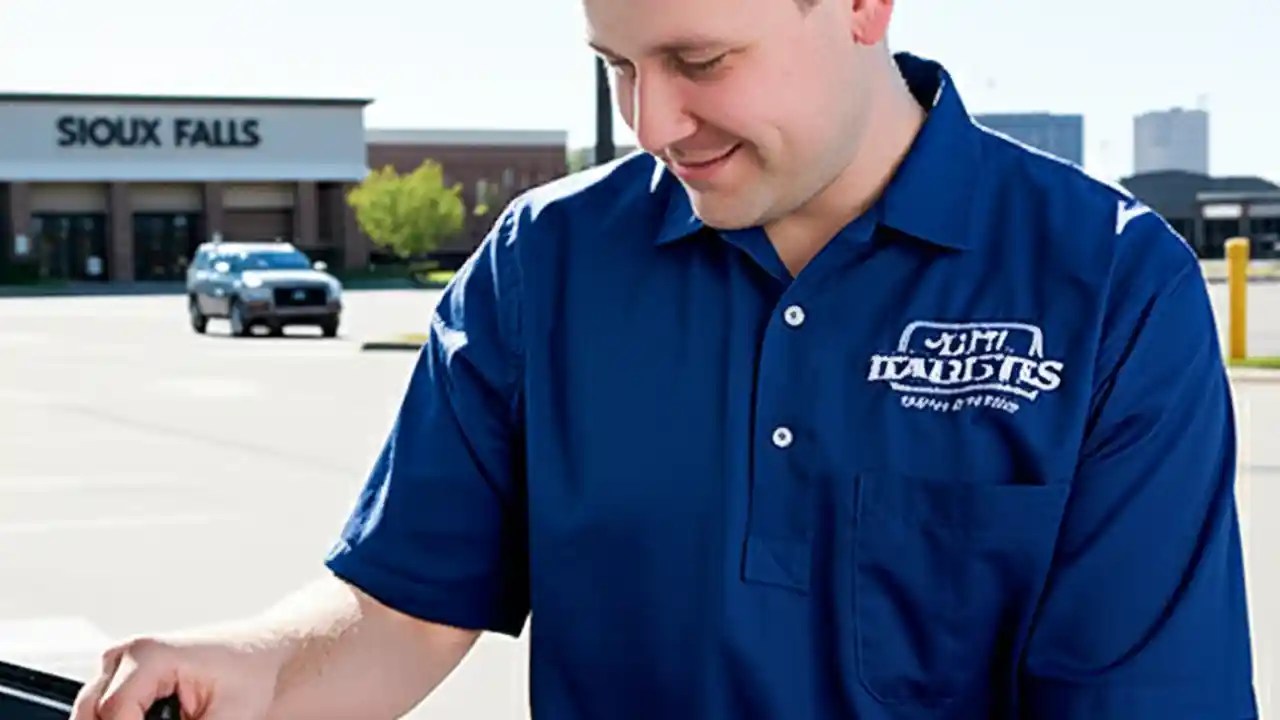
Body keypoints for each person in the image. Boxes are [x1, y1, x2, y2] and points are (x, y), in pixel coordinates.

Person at [74, 0, 1258, 718]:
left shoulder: (1102, 283)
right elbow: (401, 608)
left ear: (860, 4)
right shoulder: (549, 260)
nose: (650, 124)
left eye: (699, 61)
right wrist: (259, 665)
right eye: (615, 65)